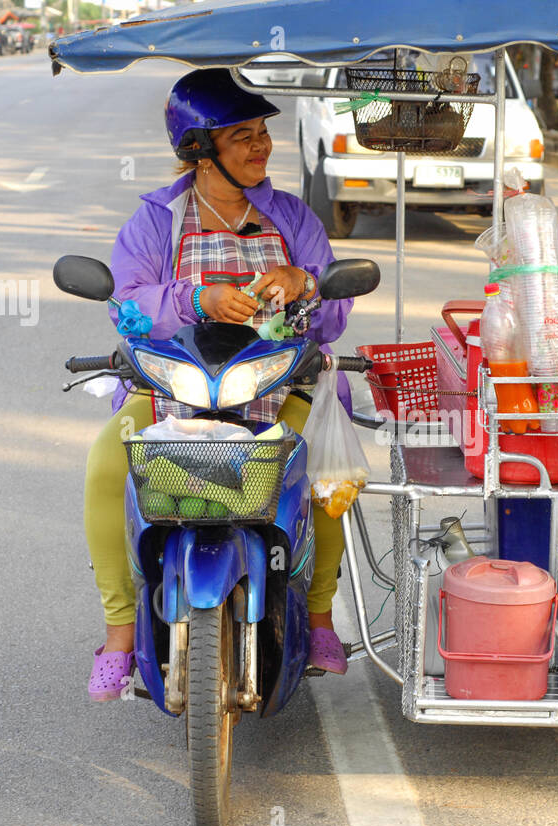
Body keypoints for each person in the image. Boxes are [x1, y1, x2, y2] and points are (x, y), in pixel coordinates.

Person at [83, 69, 356, 700]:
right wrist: (196, 297)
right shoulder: (158, 219)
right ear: (200, 149)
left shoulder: (291, 217)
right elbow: (126, 309)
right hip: (170, 391)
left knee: (325, 476)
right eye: (243, 136)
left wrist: (304, 284)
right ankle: (120, 636)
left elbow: (336, 311)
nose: (262, 147)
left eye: (263, 133)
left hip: (277, 388)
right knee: (105, 467)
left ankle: (318, 619)